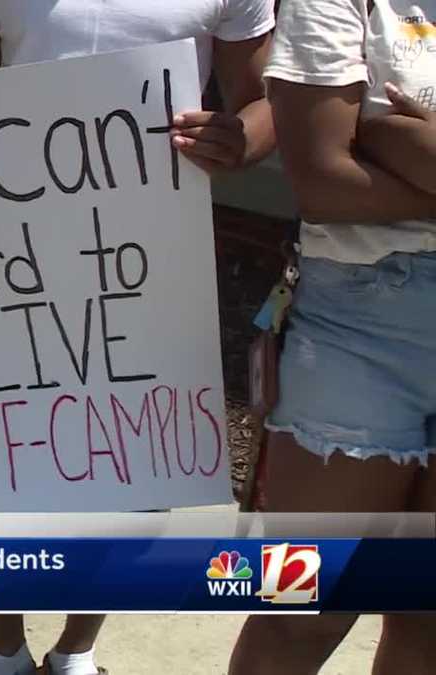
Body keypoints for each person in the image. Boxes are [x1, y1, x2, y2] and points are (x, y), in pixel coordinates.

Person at [0, 1, 278, 674]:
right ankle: (0, 647)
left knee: (137, 457)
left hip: (148, 250)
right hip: (11, 247)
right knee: (7, 444)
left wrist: (240, 139)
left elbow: (262, 100)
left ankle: (76, 650)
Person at [228, 0, 436, 672]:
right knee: (301, 609)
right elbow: (324, 180)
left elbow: (348, 154)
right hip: (361, 329)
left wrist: (386, 136)